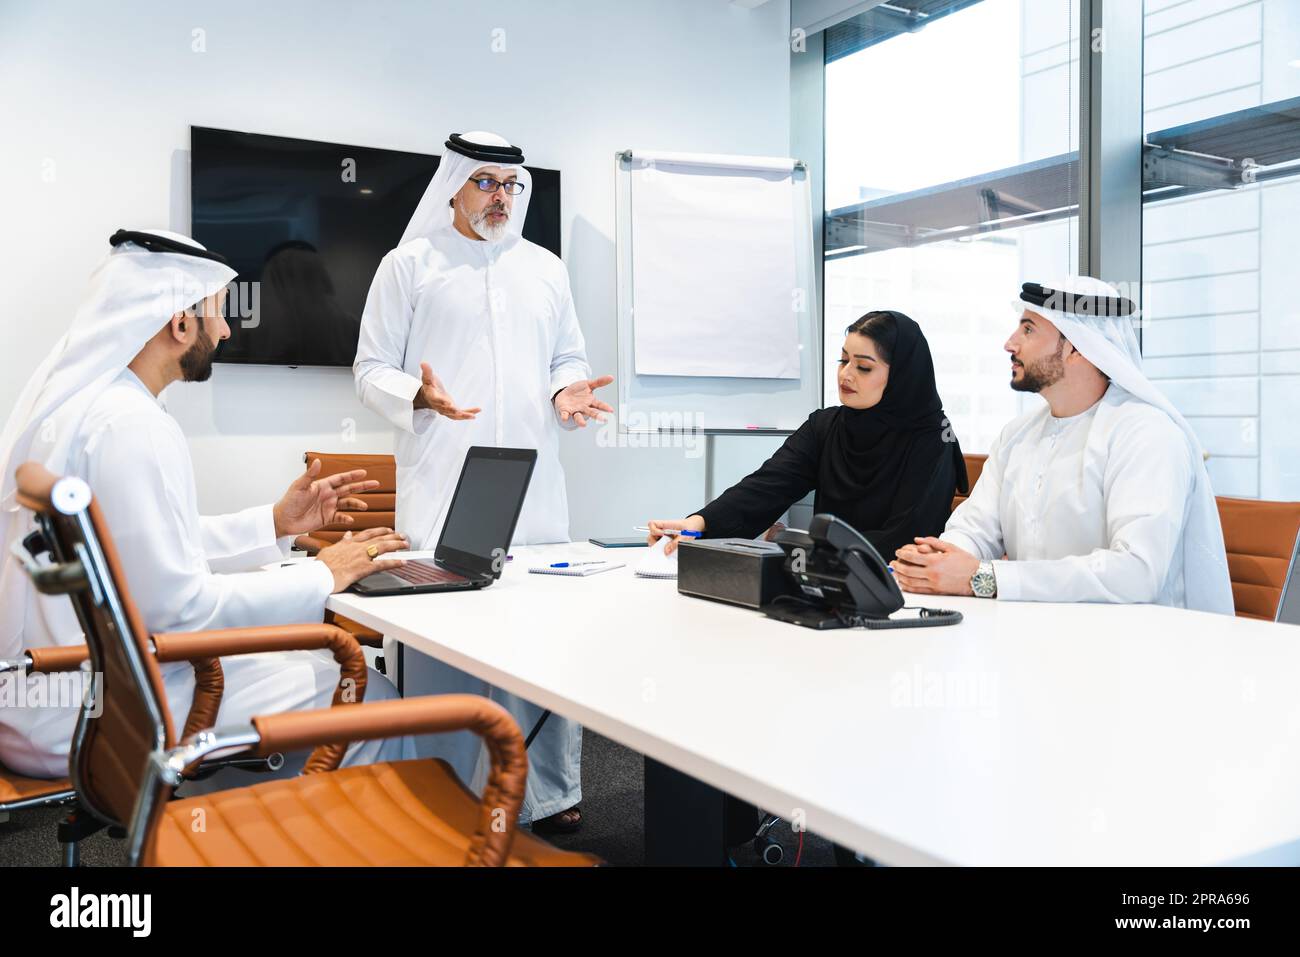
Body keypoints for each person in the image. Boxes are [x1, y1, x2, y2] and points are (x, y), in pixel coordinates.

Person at [0, 229, 413, 780]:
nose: (224, 332)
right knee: (370, 691)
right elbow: (183, 611)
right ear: (179, 323)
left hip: (47, 692)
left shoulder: (85, 410)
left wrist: (273, 522)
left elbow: (147, 550)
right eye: (217, 314)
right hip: (97, 708)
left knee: (308, 672)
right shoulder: (132, 426)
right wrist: (321, 574)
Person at [353, 131, 612, 832]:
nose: (500, 197)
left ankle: (550, 793)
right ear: (455, 185)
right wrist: (417, 395)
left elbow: (568, 355)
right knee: (450, 637)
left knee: (541, 634)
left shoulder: (546, 270)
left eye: (510, 185)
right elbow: (369, 366)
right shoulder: (408, 266)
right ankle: (444, 786)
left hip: (532, 486)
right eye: (487, 182)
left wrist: (567, 394)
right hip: (443, 480)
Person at [890, 276, 1233, 614]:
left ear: (1076, 347)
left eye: (1028, 330)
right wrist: (933, 563)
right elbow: (975, 529)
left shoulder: (1147, 434)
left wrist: (985, 578)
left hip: (1133, 650)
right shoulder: (1017, 435)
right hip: (1032, 638)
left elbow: (1137, 572)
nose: (1010, 343)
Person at [647, 310, 968, 560]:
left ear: (901, 375)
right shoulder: (827, 426)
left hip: (895, 594)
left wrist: (805, 553)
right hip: (822, 581)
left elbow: (907, 536)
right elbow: (767, 486)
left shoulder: (934, 438)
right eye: (843, 360)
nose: (845, 374)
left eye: (864, 367)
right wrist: (698, 524)